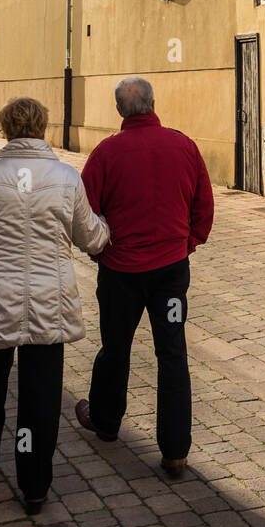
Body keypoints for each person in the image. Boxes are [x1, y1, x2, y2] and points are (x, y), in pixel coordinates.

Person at [0, 96, 109, 513]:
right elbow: (90, 236)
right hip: (48, 301)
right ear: (43, 128)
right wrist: (106, 231)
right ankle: (35, 485)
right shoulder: (66, 177)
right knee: (41, 391)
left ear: (5, 129)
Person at [75, 76, 214, 478]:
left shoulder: (106, 153)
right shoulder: (183, 145)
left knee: (115, 348)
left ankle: (105, 421)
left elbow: (84, 213)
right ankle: (175, 452)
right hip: (170, 273)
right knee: (172, 354)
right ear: (154, 104)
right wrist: (188, 243)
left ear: (119, 110)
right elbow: (203, 205)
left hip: (121, 273)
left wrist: (98, 249)